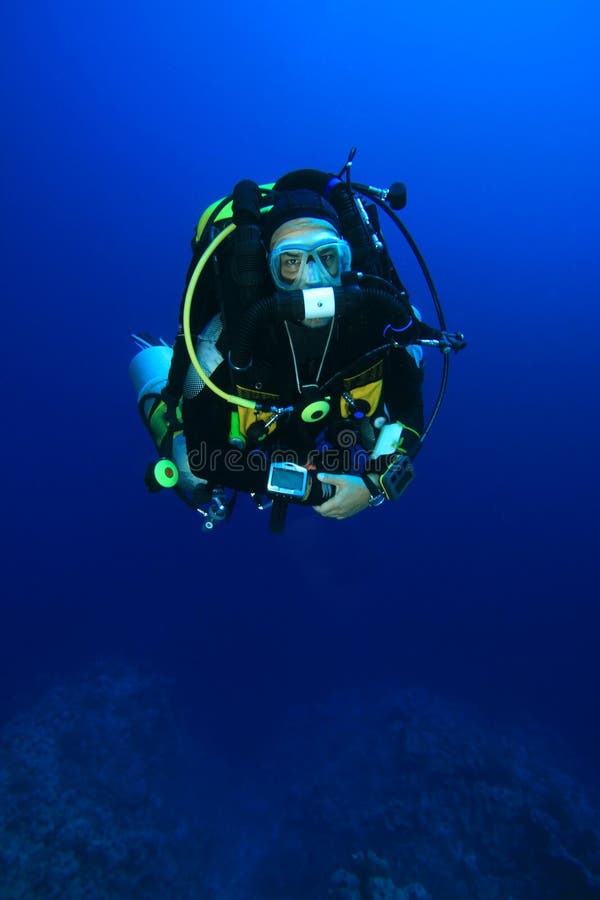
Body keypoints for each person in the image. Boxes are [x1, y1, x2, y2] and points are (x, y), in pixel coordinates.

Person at [177, 178, 426, 522]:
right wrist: (313, 491)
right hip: (260, 441)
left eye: (327, 258)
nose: (313, 279)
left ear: (346, 258)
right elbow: (204, 456)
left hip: (339, 418)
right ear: (269, 268)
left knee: (380, 437)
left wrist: (372, 485)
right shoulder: (230, 340)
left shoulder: (377, 319)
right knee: (190, 474)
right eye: (291, 261)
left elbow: (409, 406)